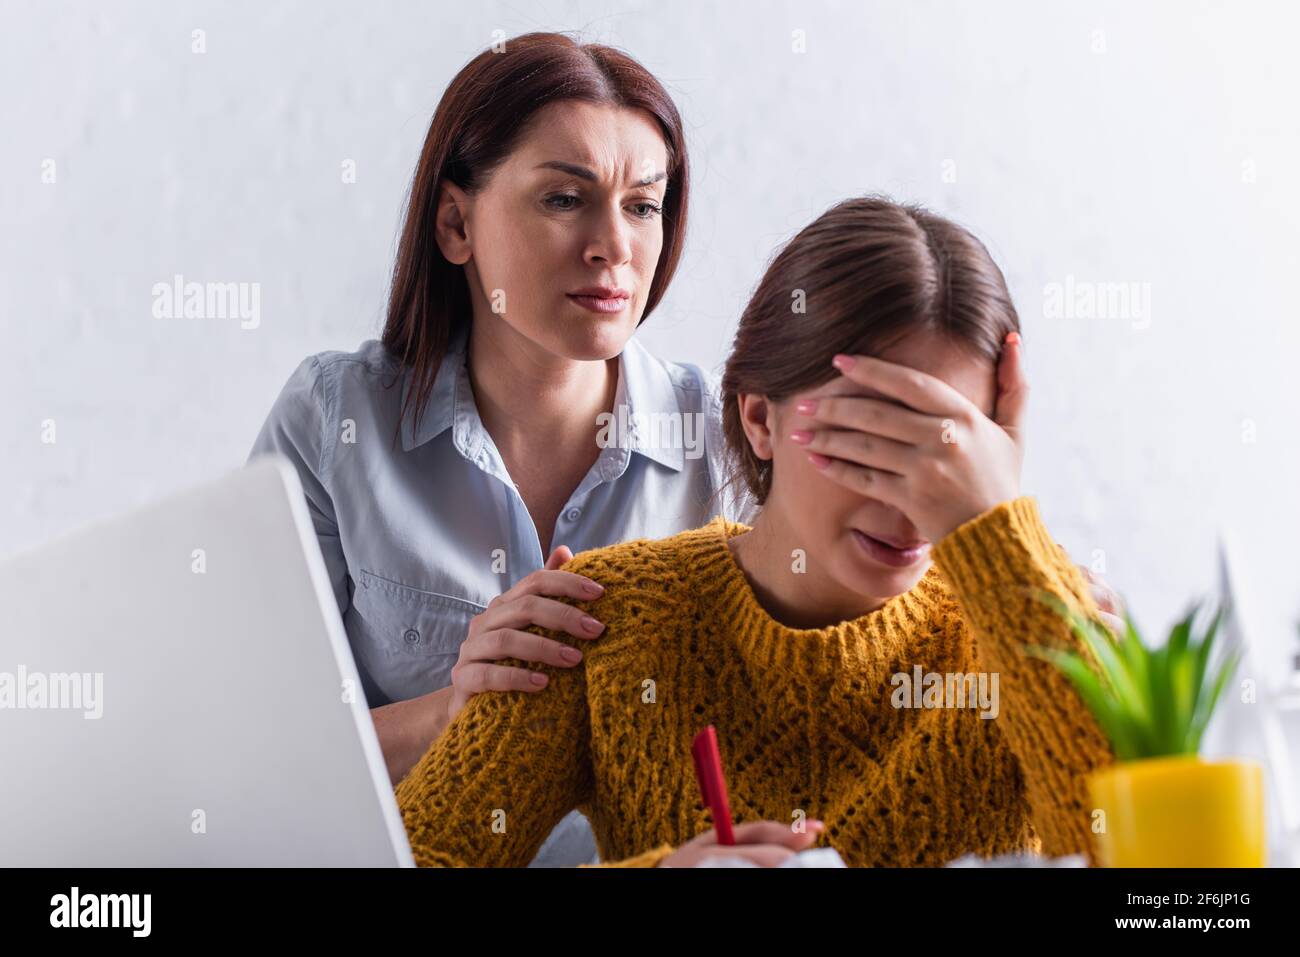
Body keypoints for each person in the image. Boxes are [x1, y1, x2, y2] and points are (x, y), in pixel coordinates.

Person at [248, 32, 1122, 866]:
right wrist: (457, 709)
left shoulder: (1020, 633)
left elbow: (1161, 884)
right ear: (455, 224)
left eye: (643, 206)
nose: (614, 248)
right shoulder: (347, 424)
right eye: (563, 197)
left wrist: (1017, 566)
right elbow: (254, 763)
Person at [393, 196, 1118, 868]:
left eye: (953, 453)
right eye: (869, 440)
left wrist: (1007, 557)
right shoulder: (602, 617)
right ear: (759, 418)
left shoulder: (1041, 628)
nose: (911, 505)